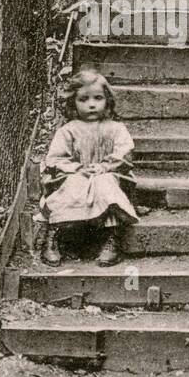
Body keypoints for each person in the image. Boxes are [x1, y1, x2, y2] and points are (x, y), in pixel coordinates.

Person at [39, 68, 138, 267]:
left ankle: (112, 239)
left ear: (107, 101)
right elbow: (55, 159)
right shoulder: (67, 131)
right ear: (73, 103)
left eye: (98, 98)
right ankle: (53, 236)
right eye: (83, 99)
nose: (91, 104)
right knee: (73, 184)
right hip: (77, 175)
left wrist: (104, 167)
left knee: (106, 183)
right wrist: (76, 169)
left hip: (109, 175)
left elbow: (125, 153)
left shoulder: (116, 129)